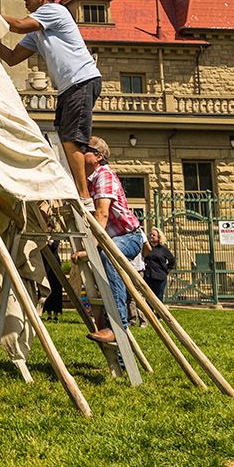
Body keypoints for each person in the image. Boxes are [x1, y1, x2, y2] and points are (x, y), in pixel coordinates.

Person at [0, 0, 102, 214]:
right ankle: (75, 189)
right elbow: (12, 58)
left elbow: (20, 25)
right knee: (64, 138)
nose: (25, 0)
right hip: (68, 88)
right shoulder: (38, 33)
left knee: (71, 138)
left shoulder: (55, 11)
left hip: (81, 80)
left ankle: (83, 196)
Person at [81, 136, 144, 345]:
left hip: (129, 237)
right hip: (112, 238)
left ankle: (118, 326)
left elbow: (102, 214)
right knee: (103, 265)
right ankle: (120, 357)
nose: (81, 154)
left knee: (109, 254)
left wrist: (90, 247)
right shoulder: (87, 180)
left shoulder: (104, 175)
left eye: (85, 150)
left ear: (98, 156)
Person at [143, 227, 176, 303]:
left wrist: (166, 271)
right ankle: (150, 314)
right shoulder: (147, 247)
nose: (151, 236)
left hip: (160, 277)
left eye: (154, 235)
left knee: (159, 297)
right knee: (149, 298)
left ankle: (159, 314)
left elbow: (172, 261)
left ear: (159, 237)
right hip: (148, 276)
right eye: (150, 235)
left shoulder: (163, 249)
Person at [42, 241, 63, 322]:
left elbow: (54, 246)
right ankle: (48, 314)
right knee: (47, 287)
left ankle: (55, 314)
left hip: (55, 263)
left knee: (56, 289)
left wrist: (49, 241)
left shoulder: (56, 237)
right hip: (46, 264)